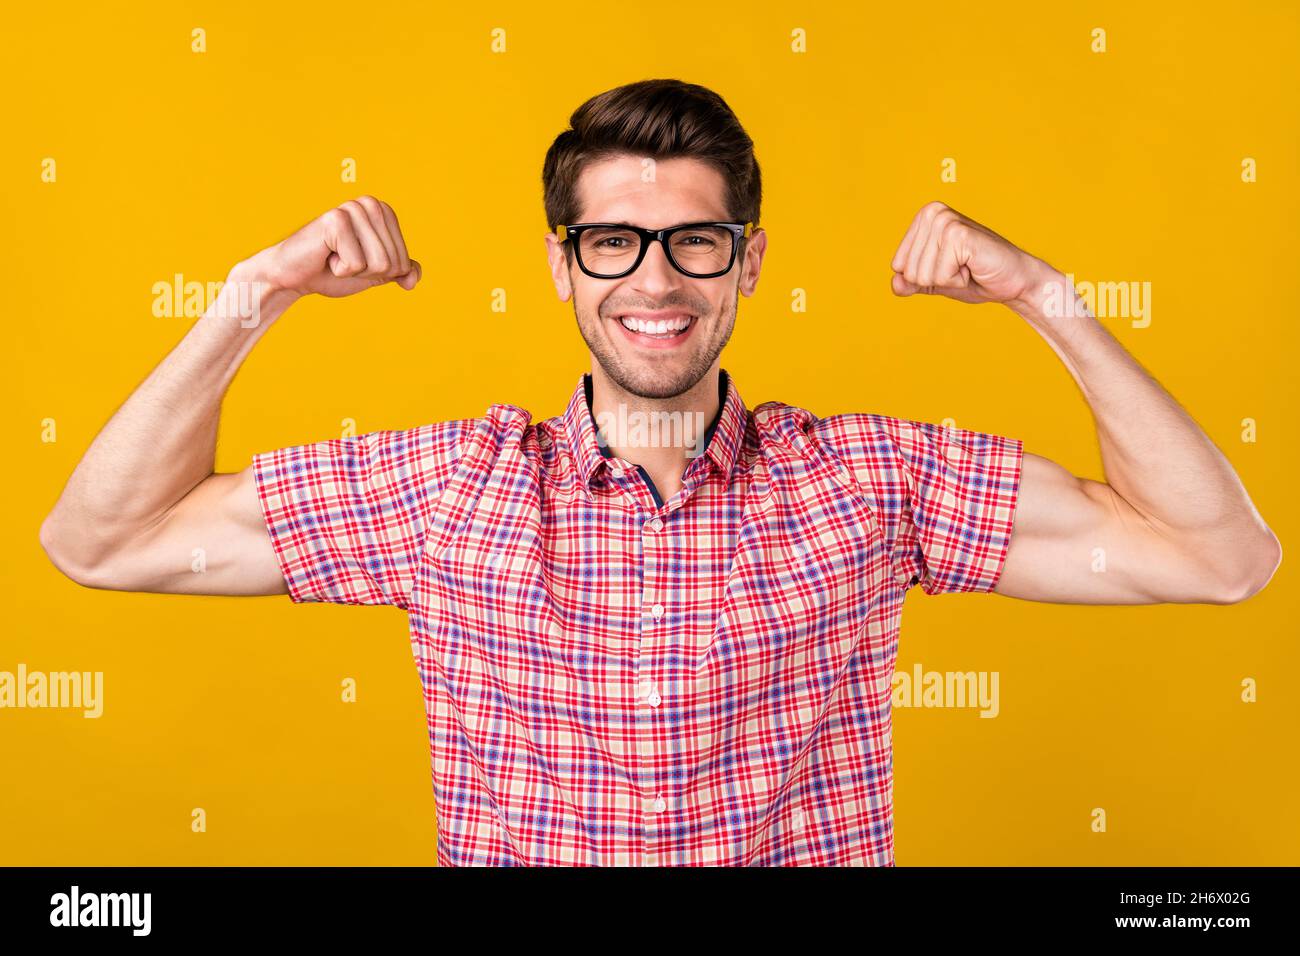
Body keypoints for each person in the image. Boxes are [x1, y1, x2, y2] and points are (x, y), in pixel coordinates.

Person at [39, 78, 1281, 866]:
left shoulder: (867, 479)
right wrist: (255, 296)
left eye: (693, 239)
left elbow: (1217, 558)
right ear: (561, 265)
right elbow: (103, 539)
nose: (653, 280)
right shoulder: (446, 492)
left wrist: (1044, 298)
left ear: (745, 262)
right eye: (613, 240)